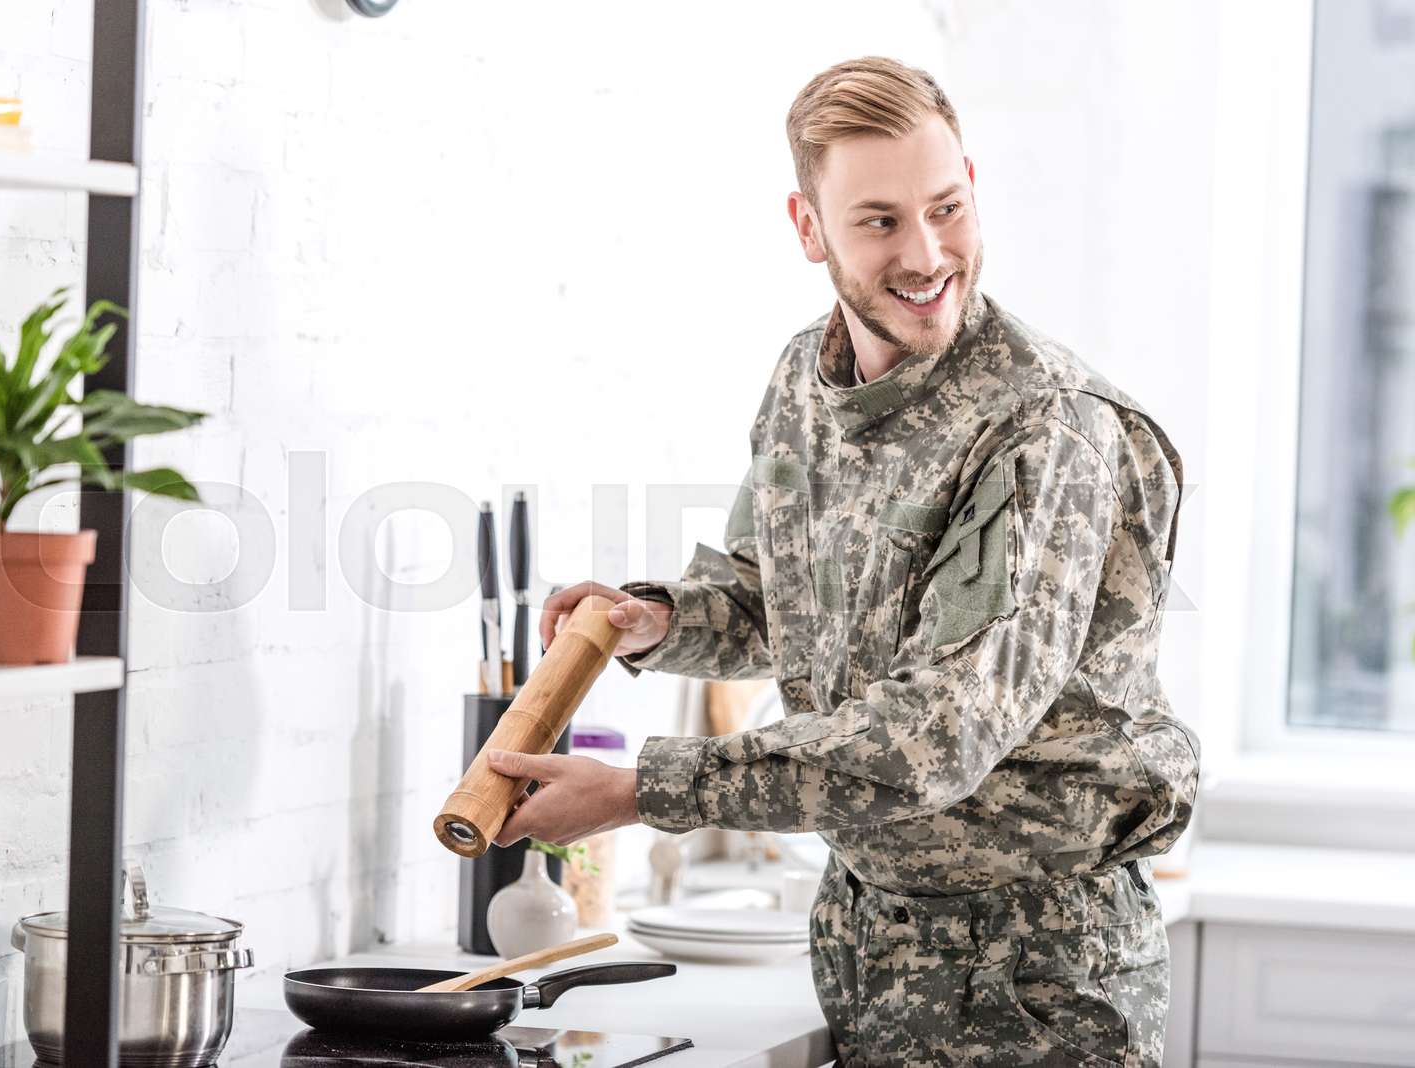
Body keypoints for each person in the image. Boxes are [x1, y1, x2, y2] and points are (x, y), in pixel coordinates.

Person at [486, 56, 1198, 1067]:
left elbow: (937, 735)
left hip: (1034, 974)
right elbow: (778, 597)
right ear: (807, 226)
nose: (926, 253)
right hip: (866, 943)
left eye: (946, 208)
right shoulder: (801, 383)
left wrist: (640, 791)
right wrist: (657, 618)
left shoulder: (1044, 430)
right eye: (879, 222)